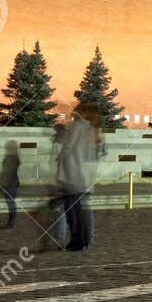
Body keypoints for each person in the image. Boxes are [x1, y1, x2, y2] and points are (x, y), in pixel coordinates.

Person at [56, 107, 104, 252]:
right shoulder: (93, 130)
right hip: (87, 176)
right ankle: (86, 239)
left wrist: (60, 164)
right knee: (84, 210)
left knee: (72, 210)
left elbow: (68, 147)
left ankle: (76, 240)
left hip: (73, 175)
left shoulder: (77, 126)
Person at [0, 139, 21, 226]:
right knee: (11, 202)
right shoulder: (14, 156)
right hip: (12, 182)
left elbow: (7, 171)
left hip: (9, 183)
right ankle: (11, 222)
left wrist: (2, 182)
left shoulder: (10, 157)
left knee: (10, 202)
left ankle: (11, 222)